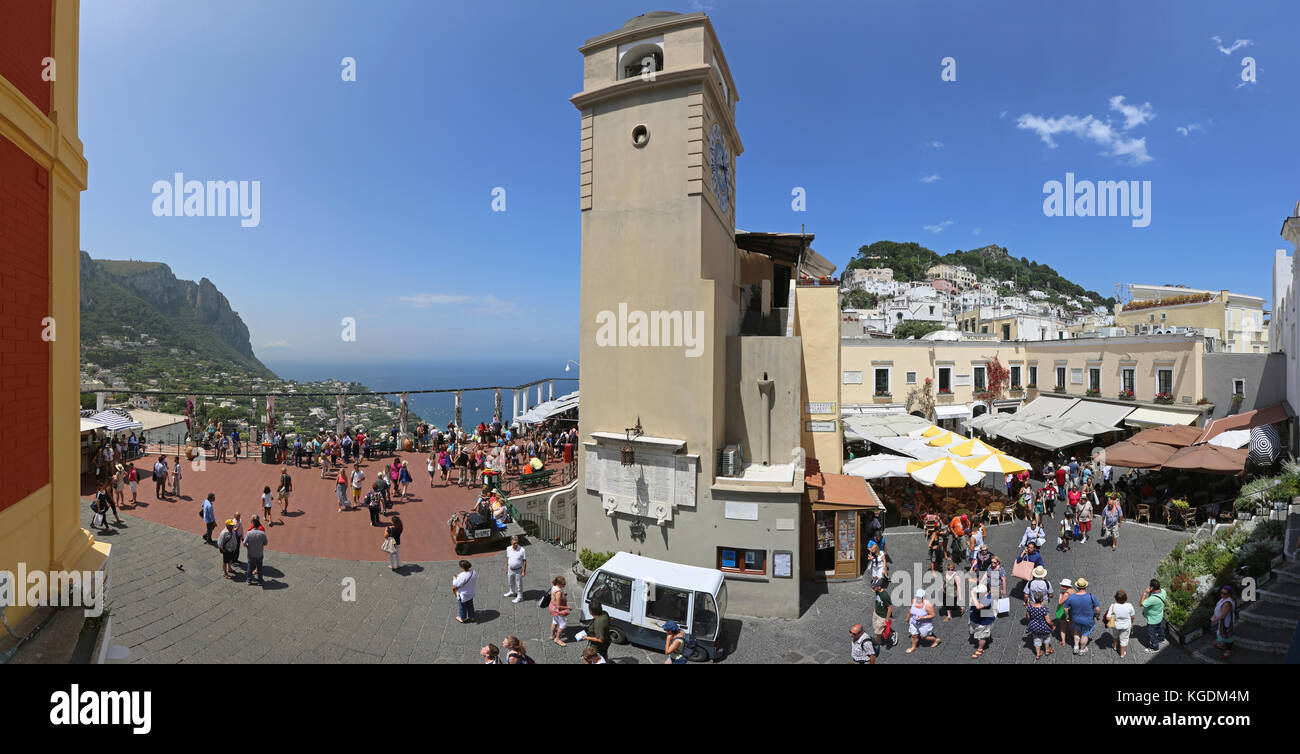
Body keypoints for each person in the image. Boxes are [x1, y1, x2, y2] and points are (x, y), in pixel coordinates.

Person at [1064, 578, 1100, 654]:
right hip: (1088, 620)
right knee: (1084, 634)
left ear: (1077, 587)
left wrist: (1067, 616)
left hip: (1075, 619)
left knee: (1076, 632)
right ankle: (1082, 649)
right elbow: (1098, 609)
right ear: (1085, 587)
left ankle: (1076, 647)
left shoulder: (1072, 597)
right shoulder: (1091, 596)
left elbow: (1065, 608)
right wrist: (1097, 615)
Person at [906, 589, 941, 653]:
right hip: (914, 622)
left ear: (923, 597)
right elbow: (910, 609)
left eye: (920, 597)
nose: (918, 599)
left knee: (924, 637)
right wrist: (907, 618)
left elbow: (932, 615)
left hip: (924, 624)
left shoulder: (928, 605)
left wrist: (923, 617)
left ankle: (936, 640)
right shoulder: (913, 601)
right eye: (917, 597)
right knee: (914, 635)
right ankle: (913, 647)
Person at [1106, 590, 1136, 658]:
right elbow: (1132, 616)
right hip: (1126, 626)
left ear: (1116, 599)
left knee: (1115, 636)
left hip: (1116, 625)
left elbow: (1108, 618)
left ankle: (1115, 646)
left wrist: (1114, 619)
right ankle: (1122, 654)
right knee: (1124, 639)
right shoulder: (1129, 606)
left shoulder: (1113, 606)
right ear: (1126, 598)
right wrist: (1132, 623)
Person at [968, 582, 995, 659]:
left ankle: (980, 649)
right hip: (975, 618)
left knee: (982, 636)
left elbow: (978, 606)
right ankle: (987, 635)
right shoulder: (979, 595)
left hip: (984, 621)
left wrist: (973, 595)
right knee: (976, 631)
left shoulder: (988, 599)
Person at [1140, 579, 1168, 652]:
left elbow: (1141, 604)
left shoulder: (1152, 599)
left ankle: (1154, 647)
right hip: (1159, 616)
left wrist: (1145, 593)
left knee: (1152, 634)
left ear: (1152, 588)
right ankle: (1162, 639)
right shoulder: (1163, 591)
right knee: (1159, 627)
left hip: (1152, 619)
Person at [1026, 591, 1056, 659]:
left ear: (1034, 598)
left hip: (1034, 626)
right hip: (1043, 627)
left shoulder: (1030, 607)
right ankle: (1047, 650)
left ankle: (1038, 653)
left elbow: (1028, 617)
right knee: (1046, 638)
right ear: (1041, 600)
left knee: (1037, 639)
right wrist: (1053, 626)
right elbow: (1048, 621)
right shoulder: (1044, 609)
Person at [1211, 585, 1236, 660]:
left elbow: (1222, 616)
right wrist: (1214, 615)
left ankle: (1229, 650)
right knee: (1221, 633)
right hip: (1222, 622)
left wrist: (1214, 619)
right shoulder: (1223, 599)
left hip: (1226, 622)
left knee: (1228, 635)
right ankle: (1222, 645)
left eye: (1224, 593)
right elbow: (1217, 608)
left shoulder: (1227, 603)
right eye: (1221, 592)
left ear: (1229, 594)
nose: (1222, 594)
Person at [871, 578, 896, 648]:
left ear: (879, 587)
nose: (872, 588)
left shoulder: (885, 595)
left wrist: (887, 619)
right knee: (876, 628)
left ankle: (877, 643)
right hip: (876, 612)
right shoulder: (877, 591)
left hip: (882, 616)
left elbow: (890, 608)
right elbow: (876, 598)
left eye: (874, 586)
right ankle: (891, 634)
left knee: (877, 632)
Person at [244, 516, 268, 586]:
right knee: (259, 568)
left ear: (253, 525)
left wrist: (248, 547)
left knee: (249, 567)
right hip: (259, 554)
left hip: (251, 553)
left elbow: (244, 543)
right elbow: (265, 543)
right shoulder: (262, 533)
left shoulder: (249, 533)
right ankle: (260, 581)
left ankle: (249, 580)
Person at [548, 576, 571, 646]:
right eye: (563, 584)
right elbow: (558, 606)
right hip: (557, 610)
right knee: (563, 624)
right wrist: (568, 607)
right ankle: (557, 639)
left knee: (555, 621)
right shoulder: (558, 592)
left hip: (552, 607)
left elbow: (551, 594)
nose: (564, 585)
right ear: (559, 584)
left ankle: (552, 635)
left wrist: (563, 595)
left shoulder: (554, 587)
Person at [503, 536, 526, 603]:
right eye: (514, 543)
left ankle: (520, 597)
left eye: (517, 543)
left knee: (519, 584)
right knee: (510, 582)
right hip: (510, 569)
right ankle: (512, 592)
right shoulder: (508, 548)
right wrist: (507, 568)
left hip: (518, 570)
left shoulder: (522, 550)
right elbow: (508, 558)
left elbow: (524, 561)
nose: (515, 544)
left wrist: (523, 571)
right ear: (511, 542)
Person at [1056, 578, 1074, 647]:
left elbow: (1060, 602)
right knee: (1071, 624)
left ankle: (1063, 640)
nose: (1061, 587)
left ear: (1065, 586)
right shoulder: (1073, 591)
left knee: (1063, 627)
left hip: (1064, 610)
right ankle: (1072, 635)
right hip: (1071, 609)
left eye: (1062, 585)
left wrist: (1061, 595)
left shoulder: (1066, 594)